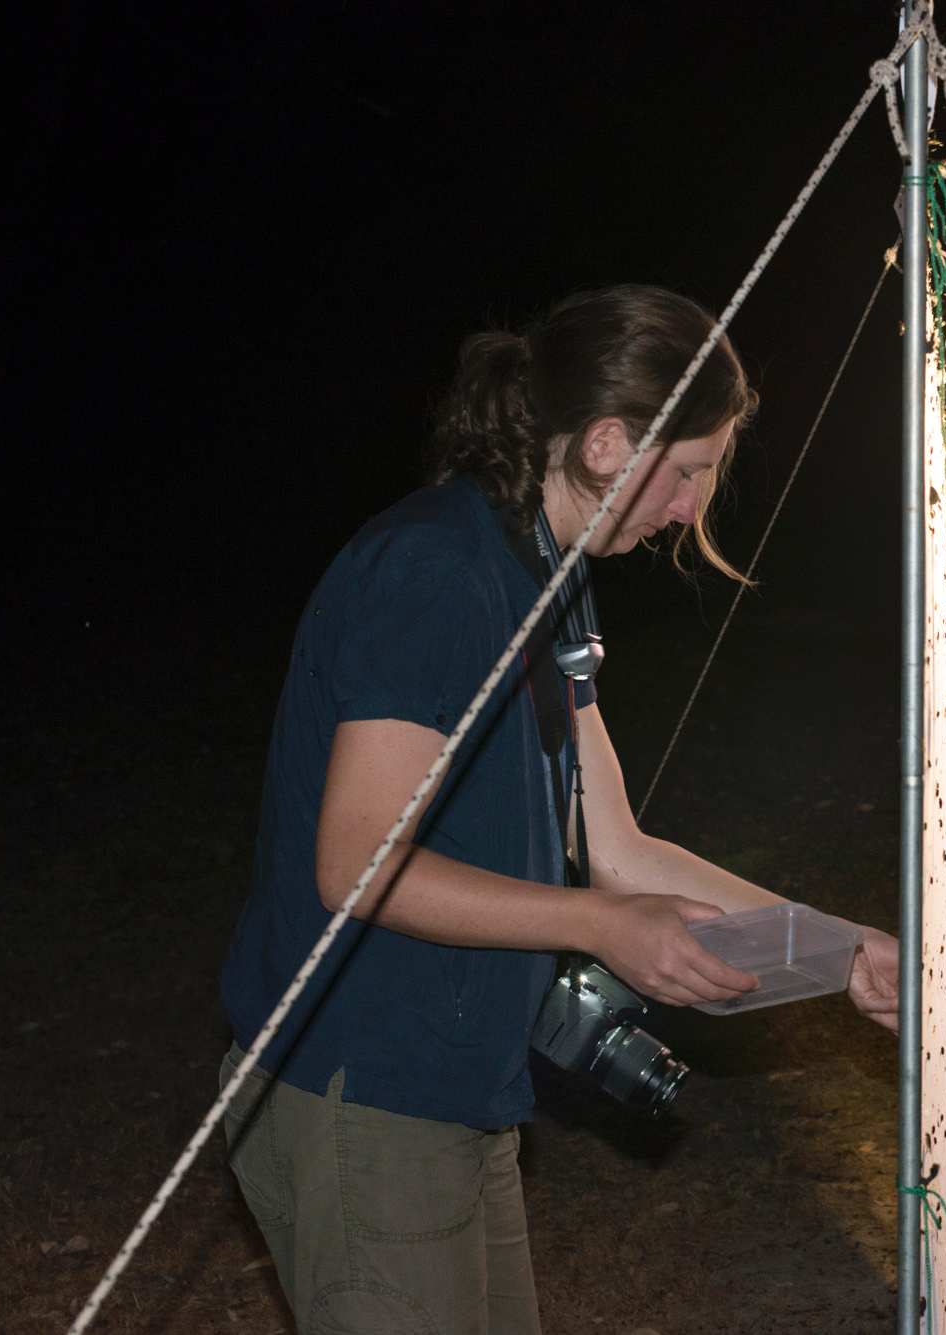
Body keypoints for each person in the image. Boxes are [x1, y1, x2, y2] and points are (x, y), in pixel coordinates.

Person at [216, 284, 899, 1334]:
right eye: (688, 472)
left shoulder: (551, 574)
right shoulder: (434, 572)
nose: (691, 509)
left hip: (459, 1087)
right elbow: (357, 863)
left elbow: (617, 848)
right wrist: (597, 925)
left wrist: (840, 949)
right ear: (606, 442)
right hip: (361, 1088)